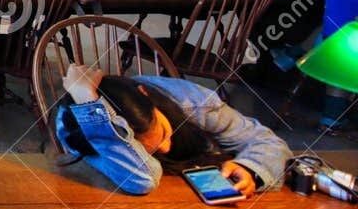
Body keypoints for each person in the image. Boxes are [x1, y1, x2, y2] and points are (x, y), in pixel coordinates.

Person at [54, 69, 290, 196]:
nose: (166, 147)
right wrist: (87, 100)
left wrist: (250, 167)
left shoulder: (194, 102)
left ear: (145, 94)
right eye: (150, 149)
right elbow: (142, 179)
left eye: (165, 132)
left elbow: (266, 141)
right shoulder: (73, 130)